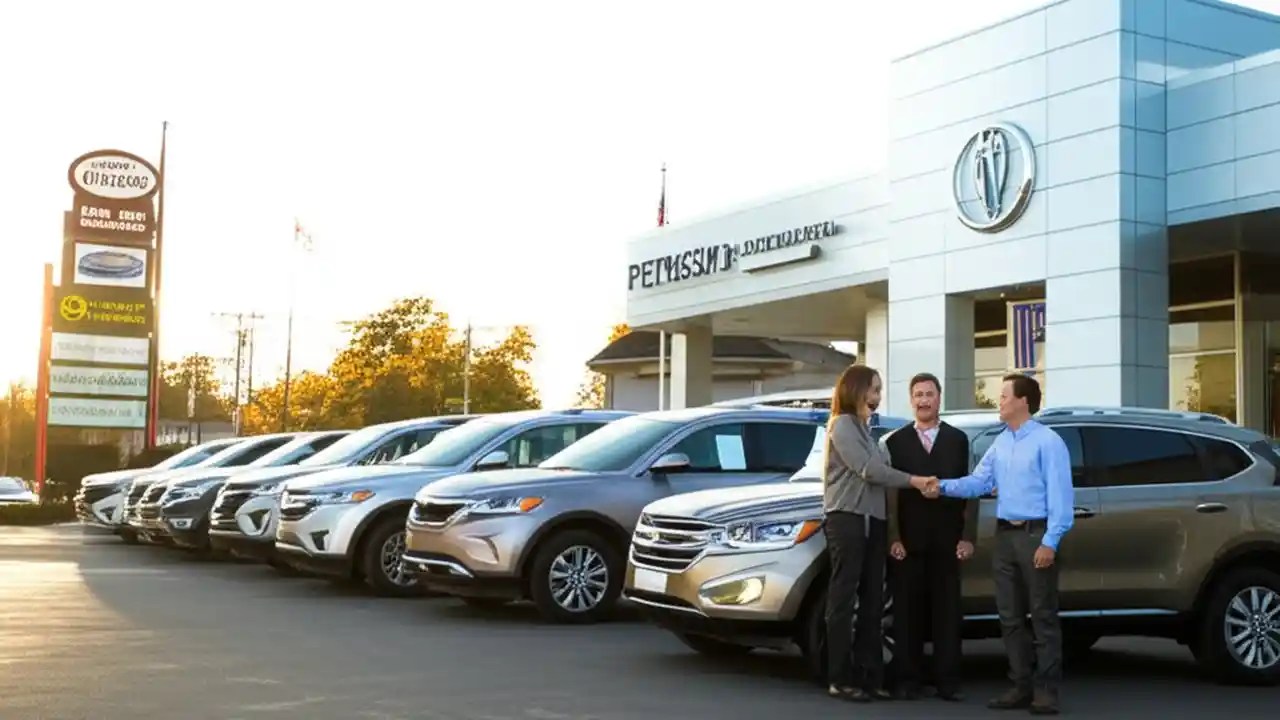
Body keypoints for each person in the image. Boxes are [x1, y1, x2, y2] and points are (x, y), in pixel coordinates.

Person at [924, 374, 1073, 715]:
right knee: (1009, 617)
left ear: (1023, 401)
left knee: (1043, 616)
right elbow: (979, 482)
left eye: (1004, 395)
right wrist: (940, 486)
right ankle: (1020, 685)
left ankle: (1046, 690)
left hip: (1036, 535)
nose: (999, 401)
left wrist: (1049, 542)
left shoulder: (1049, 442)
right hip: (1005, 537)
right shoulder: (1002, 442)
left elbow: (1061, 501)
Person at [823, 364, 935, 702]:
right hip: (847, 520)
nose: (878, 397)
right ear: (856, 390)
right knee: (844, 601)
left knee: (873, 602)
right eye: (874, 389)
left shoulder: (865, 428)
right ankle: (839, 677)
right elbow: (870, 471)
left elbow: (880, 468)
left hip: (874, 521)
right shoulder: (841, 425)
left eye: (879, 390)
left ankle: (870, 677)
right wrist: (915, 481)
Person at [885, 372, 977, 702]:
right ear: (911, 400)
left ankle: (948, 681)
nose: (924, 400)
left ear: (940, 398)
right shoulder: (895, 442)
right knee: (907, 615)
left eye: (929, 394)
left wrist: (968, 537)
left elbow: (971, 489)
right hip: (908, 543)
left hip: (947, 542)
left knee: (947, 615)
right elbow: (890, 495)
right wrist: (893, 537)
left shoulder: (957, 440)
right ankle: (908, 679)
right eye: (918, 395)